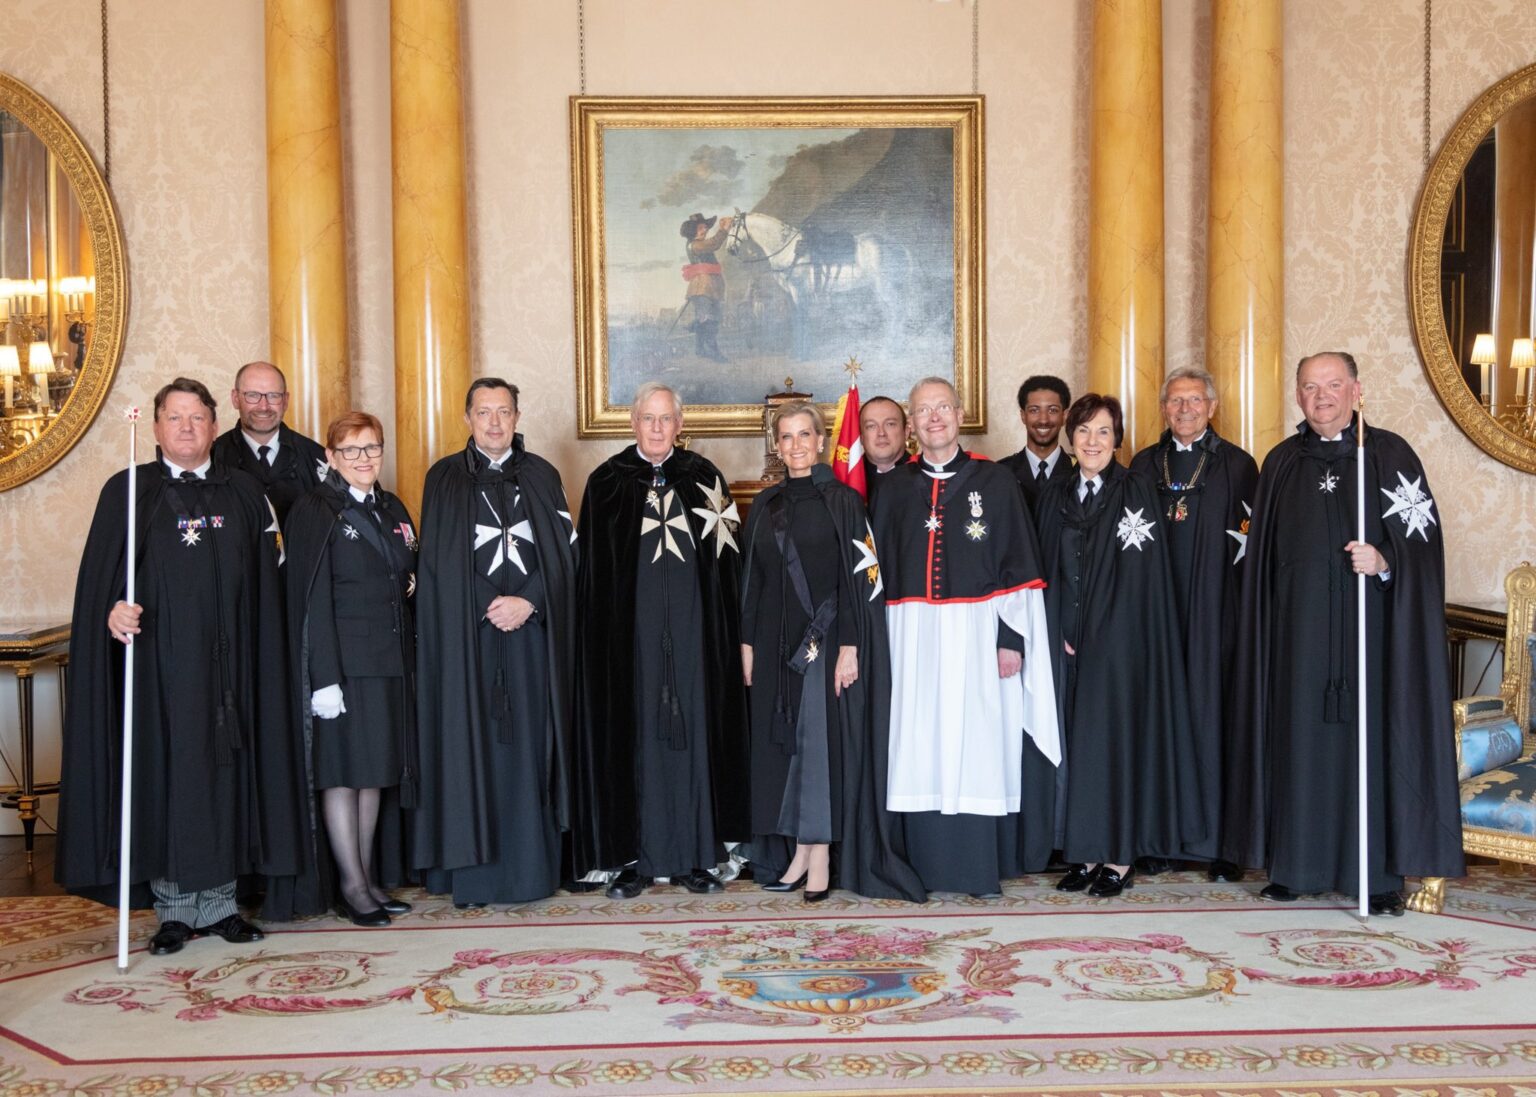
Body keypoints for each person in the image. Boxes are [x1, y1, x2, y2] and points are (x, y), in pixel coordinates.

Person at [55, 377, 300, 955]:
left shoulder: (242, 491)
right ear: (157, 426)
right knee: (166, 782)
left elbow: (269, 581)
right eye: (174, 418)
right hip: (157, 674)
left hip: (231, 670)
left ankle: (220, 906)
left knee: (225, 781)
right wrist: (112, 611)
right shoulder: (129, 492)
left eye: (197, 418)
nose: (186, 428)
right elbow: (99, 585)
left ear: (216, 425)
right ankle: (172, 910)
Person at [1222, 352, 1465, 915]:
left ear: (1357, 390)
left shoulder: (1388, 454)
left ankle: (1376, 878)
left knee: (1371, 746)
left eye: (1333, 385)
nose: (1322, 396)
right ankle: (1295, 868)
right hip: (1296, 639)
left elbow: (1424, 545)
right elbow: (1258, 561)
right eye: (1310, 387)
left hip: (1371, 637)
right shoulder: (1280, 462)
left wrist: (1384, 559)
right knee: (1296, 745)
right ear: (1298, 395)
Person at [870, 377, 1060, 898]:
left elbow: (1018, 568)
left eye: (942, 408)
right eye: (923, 411)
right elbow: (875, 581)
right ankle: (922, 864)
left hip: (979, 634)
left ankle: (977, 867)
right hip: (911, 637)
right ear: (911, 426)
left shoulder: (996, 483)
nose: (934, 418)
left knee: (976, 741)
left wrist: (1010, 640)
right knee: (919, 740)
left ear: (959, 414)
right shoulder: (891, 491)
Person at [740, 400, 924, 903]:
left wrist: (850, 645)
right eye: (786, 437)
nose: (796, 445)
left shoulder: (844, 501)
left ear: (821, 441)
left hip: (823, 643)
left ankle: (818, 854)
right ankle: (798, 850)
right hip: (775, 646)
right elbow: (752, 581)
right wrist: (746, 644)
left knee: (817, 750)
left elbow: (860, 581)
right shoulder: (764, 505)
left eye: (805, 435)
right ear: (777, 445)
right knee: (785, 750)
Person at [571, 383, 749, 900]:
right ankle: (635, 862)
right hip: (630, 648)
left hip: (696, 643)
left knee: (694, 739)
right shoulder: (606, 484)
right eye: (647, 418)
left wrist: (727, 639)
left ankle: (697, 856)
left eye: (664, 419)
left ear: (679, 423)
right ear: (633, 423)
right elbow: (593, 579)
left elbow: (728, 566)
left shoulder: (704, 478)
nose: (655, 428)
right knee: (635, 741)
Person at [412, 378, 578, 907]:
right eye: (483, 413)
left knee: (531, 749)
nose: (494, 423)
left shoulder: (543, 476)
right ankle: (476, 875)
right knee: (472, 748)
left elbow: (565, 555)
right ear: (467, 418)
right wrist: (491, 604)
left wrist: (529, 601)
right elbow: (438, 564)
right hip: (471, 643)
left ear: (517, 414)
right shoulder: (443, 479)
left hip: (531, 639)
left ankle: (530, 872)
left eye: (503, 411)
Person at [1036, 394, 1208, 898]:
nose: (1093, 441)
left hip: (1119, 649)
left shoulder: (1133, 489)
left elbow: (1138, 576)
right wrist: (1062, 632)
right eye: (1085, 431)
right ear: (1071, 437)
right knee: (1077, 750)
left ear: (1119, 439)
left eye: (1104, 432)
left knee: (1114, 750)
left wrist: (1097, 636)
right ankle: (1085, 852)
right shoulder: (1057, 492)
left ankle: (1119, 856)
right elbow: (1048, 568)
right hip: (1066, 644)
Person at [272, 411, 418, 926]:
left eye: (372, 448)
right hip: (343, 668)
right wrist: (324, 679)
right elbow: (313, 601)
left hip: (388, 664)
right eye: (351, 450)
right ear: (330, 457)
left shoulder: (391, 507)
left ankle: (368, 876)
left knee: (373, 773)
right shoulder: (317, 510)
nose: (364, 459)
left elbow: (409, 572)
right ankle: (351, 887)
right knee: (341, 777)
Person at [1128, 367, 1257, 882]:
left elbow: (1253, 549)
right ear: (1163, 409)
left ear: (1212, 404)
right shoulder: (1140, 465)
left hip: (1216, 618)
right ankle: (1158, 840)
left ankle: (1222, 845)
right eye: (1175, 401)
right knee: (1159, 726)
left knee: (1216, 723)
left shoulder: (1241, 466)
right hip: (1156, 620)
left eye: (1194, 400)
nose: (1185, 409)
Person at [211, 361, 328, 525]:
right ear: (235, 399)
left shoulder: (318, 457)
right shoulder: (212, 458)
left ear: (286, 400)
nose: (264, 406)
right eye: (252, 395)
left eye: (274, 395)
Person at [999, 375, 1076, 514]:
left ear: (1065, 416)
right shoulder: (1000, 472)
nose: (1043, 419)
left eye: (1052, 410)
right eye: (1034, 410)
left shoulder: (1079, 471)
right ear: (1023, 416)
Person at [680, 212, 734, 362]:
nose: (704, 230)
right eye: (700, 228)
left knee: (706, 319)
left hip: (709, 287)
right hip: (702, 288)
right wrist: (724, 229)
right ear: (692, 231)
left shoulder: (698, 244)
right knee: (709, 321)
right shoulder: (696, 245)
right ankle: (713, 353)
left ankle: (699, 348)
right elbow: (715, 243)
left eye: (705, 227)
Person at [858, 395, 912, 500]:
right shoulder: (848, 480)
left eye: (890, 424)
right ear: (861, 438)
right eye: (871, 426)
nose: (881, 433)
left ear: (906, 432)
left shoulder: (926, 475)